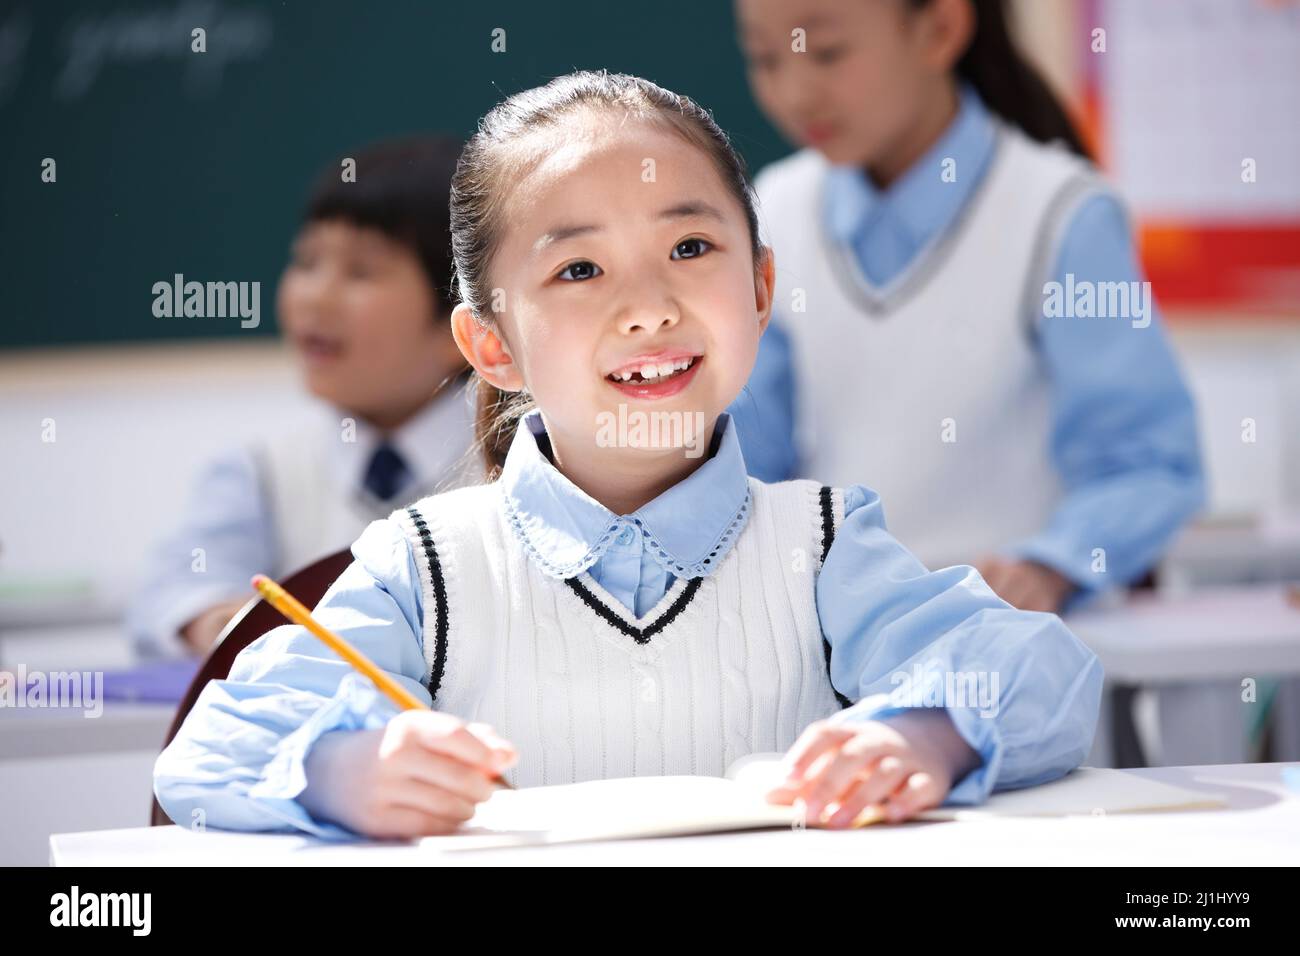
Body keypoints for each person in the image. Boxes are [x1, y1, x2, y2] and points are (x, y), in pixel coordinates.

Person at [154, 71, 1101, 840]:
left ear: (763, 287)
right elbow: (208, 751)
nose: (649, 306)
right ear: (491, 345)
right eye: (578, 269)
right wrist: (342, 770)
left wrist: (926, 735)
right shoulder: (423, 568)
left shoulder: (824, 545)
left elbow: (1039, 672)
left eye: (691, 245)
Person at [727, 0, 1205, 612]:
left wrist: (1052, 565)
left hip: (1012, 649)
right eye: (765, 58)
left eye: (826, 52)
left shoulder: (1060, 215)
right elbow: (749, 459)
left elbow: (1151, 466)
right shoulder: (775, 213)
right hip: (838, 651)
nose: (794, 91)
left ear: (940, 30)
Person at [128, 137, 475, 658]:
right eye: (307, 262)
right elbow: (170, 594)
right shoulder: (261, 472)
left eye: (360, 272)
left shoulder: (522, 460)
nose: (315, 295)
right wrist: (221, 621)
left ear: (463, 327)